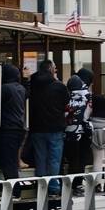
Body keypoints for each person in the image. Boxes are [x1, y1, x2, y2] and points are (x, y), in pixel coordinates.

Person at [28, 60, 70, 201]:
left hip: (36, 127)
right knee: (54, 159)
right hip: (55, 127)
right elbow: (66, 102)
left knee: (40, 157)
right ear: (51, 69)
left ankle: (41, 186)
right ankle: (53, 188)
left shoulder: (32, 84)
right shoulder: (58, 86)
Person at [64, 68, 94, 197]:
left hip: (68, 131)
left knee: (71, 159)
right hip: (83, 132)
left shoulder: (66, 94)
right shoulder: (88, 95)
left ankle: (67, 183)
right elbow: (88, 114)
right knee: (81, 159)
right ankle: (77, 184)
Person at [0, 63, 27, 183]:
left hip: (8, 128)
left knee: (8, 162)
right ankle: (14, 190)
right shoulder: (21, 88)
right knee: (13, 160)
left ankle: (14, 191)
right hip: (19, 127)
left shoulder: (4, 89)